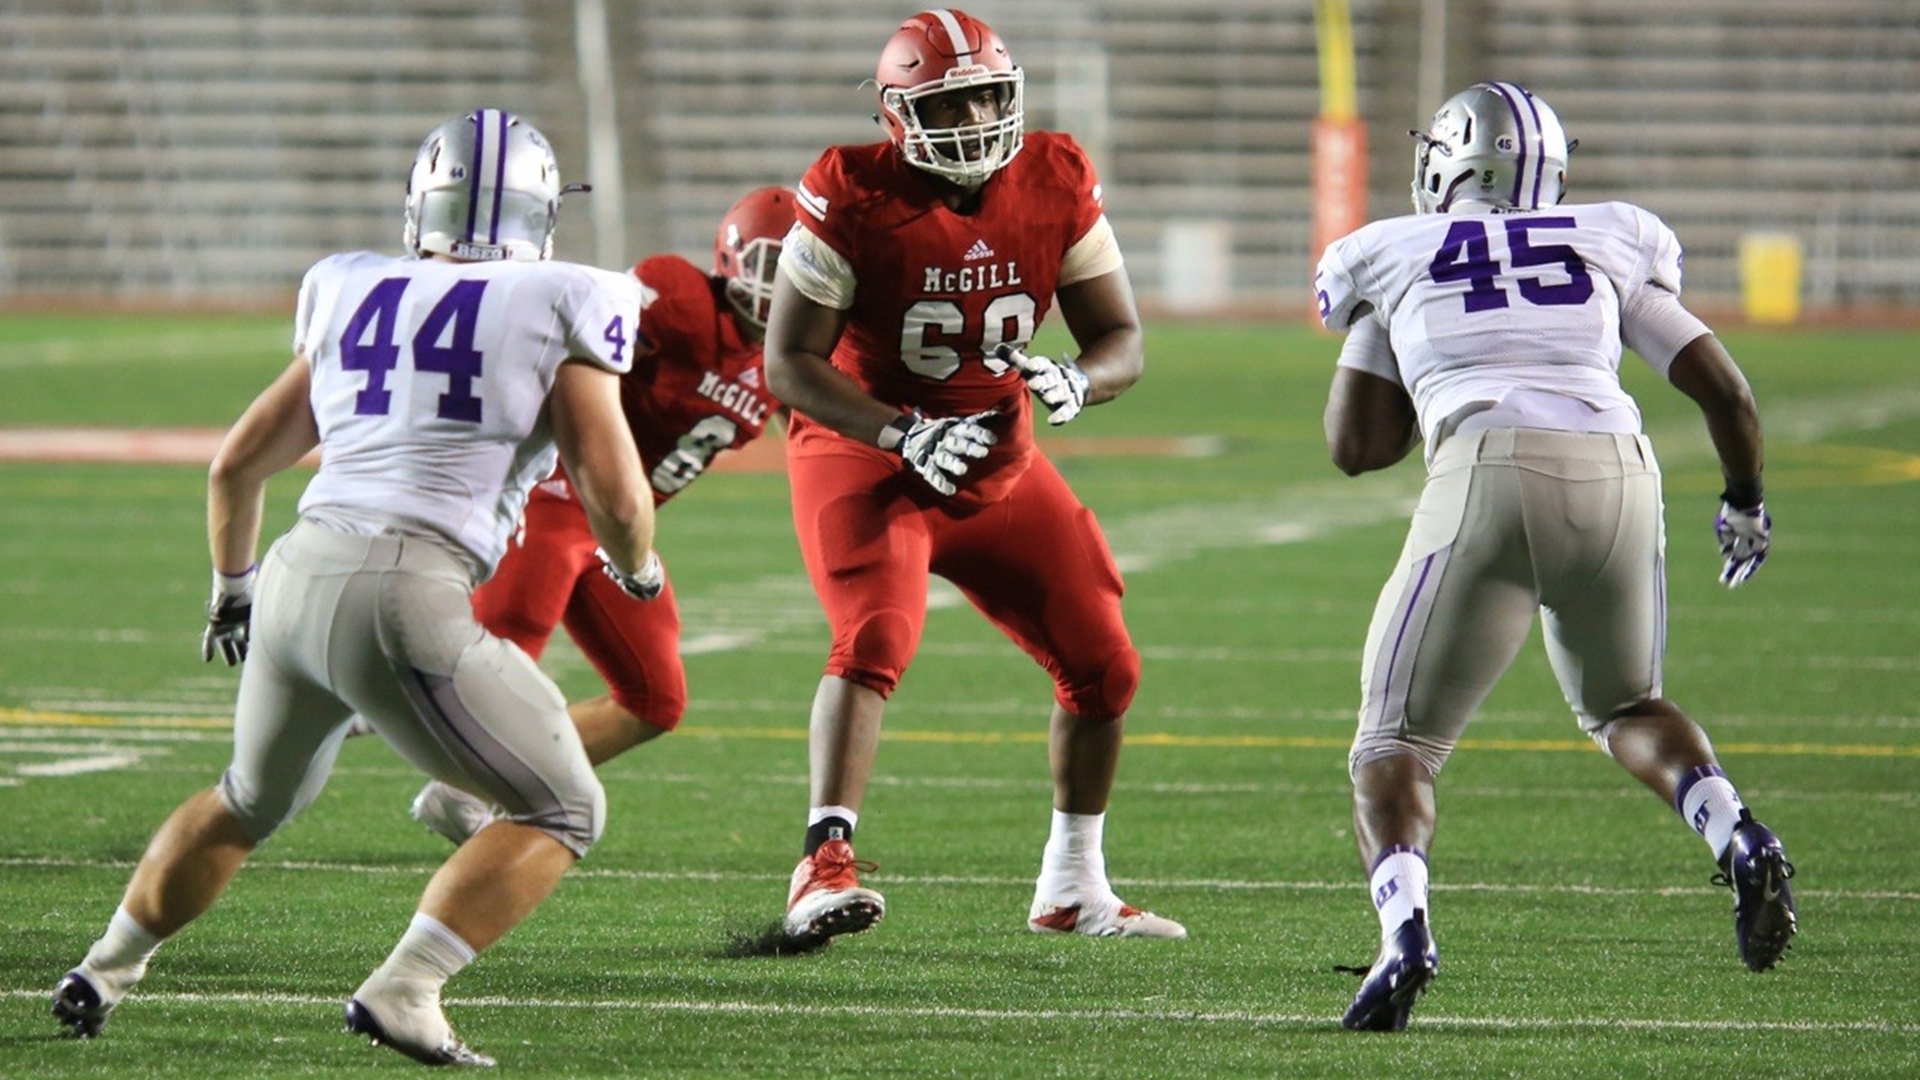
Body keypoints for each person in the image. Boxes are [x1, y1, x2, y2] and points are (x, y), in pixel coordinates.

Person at [50, 108, 664, 1067]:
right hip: (407, 587)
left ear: (423, 203)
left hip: (297, 570)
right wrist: (637, 567)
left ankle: (105, 965)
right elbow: (613, 487)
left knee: (247, 799)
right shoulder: (567, 293)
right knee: (564, 808)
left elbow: (236, 467)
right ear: (542, 212)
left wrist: (231, 589)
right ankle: (406, 987)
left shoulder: (350, 285)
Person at [1314, 81, 1797, 1031]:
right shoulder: (1610, 237)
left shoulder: (1388, 250)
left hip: (1488, 464)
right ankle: (1737, 833)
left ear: (1453, 159)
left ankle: (1404, 933)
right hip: (1621, 471)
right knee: (1628, 705)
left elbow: (1355, 448)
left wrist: (1388, 317)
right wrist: (1745, 501)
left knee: (1394, 744)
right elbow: (1728, 395)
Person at [762, 7, 1184, 946]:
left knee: (1105, 663)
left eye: (993, 93)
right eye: (955, 100)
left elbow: (1121, 340)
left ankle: (1073, 886)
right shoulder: (849, 189)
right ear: (896, 114)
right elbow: (789, 363)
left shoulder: (1055, 176)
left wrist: (1083, 378)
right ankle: (820, 866)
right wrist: (896, 432)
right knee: (874, 636)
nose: (981, 115)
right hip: (867, 456)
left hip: (1000, 463)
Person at [403, 186, 795, 845]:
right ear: (731, 257)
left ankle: (461, 787)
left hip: (620, 531)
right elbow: (573, 348)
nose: (785, 285)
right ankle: (369, 699)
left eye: (800, 269)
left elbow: (823, 429)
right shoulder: (677, 297)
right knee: (510, 644)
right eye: (771, 264)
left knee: (655, 697)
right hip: (560, 493)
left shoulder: (785, 359)